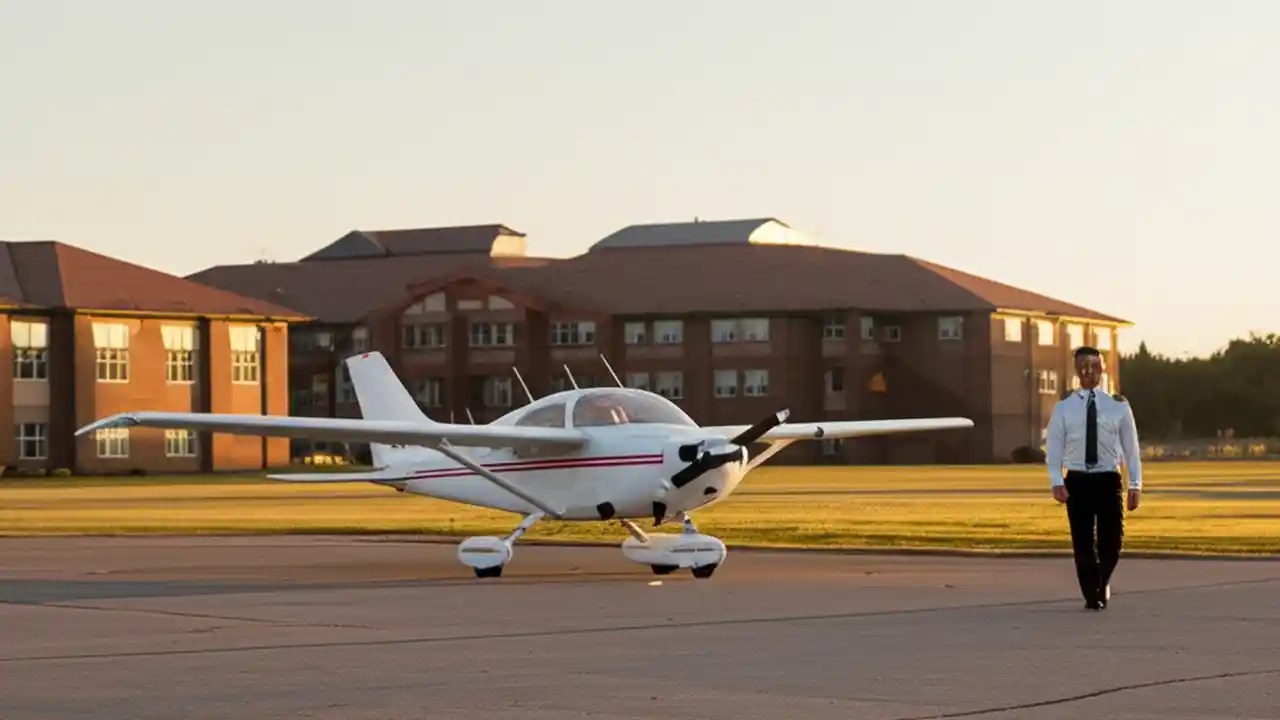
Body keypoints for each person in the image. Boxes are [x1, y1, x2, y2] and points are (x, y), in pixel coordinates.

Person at [1045, 346, 1143, 611]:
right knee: (1083, 542)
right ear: (1076, 371)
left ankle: (1101, 581)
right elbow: (1054, 447)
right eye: (1082, 367)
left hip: (1108, 479)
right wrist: (1056, 480)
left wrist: (1135, 484)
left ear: (1103, 368)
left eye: (1093, 366)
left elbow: (1131, 447)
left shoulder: (1118, 407)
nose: (1088, 372)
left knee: (1112, 542)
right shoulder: (1064, 408)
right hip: (1077, 480)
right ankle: (1093, 595)